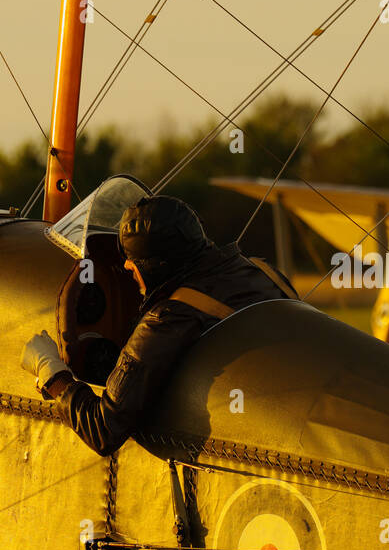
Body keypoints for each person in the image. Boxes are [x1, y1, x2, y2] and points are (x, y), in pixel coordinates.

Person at [21, 194, 296, 456]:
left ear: (155, 267)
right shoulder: (265, 272)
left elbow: (103, 429)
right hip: (290, 417)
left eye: (132, 259)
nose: (126, 266)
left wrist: (52, 373)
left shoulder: (168, 319)